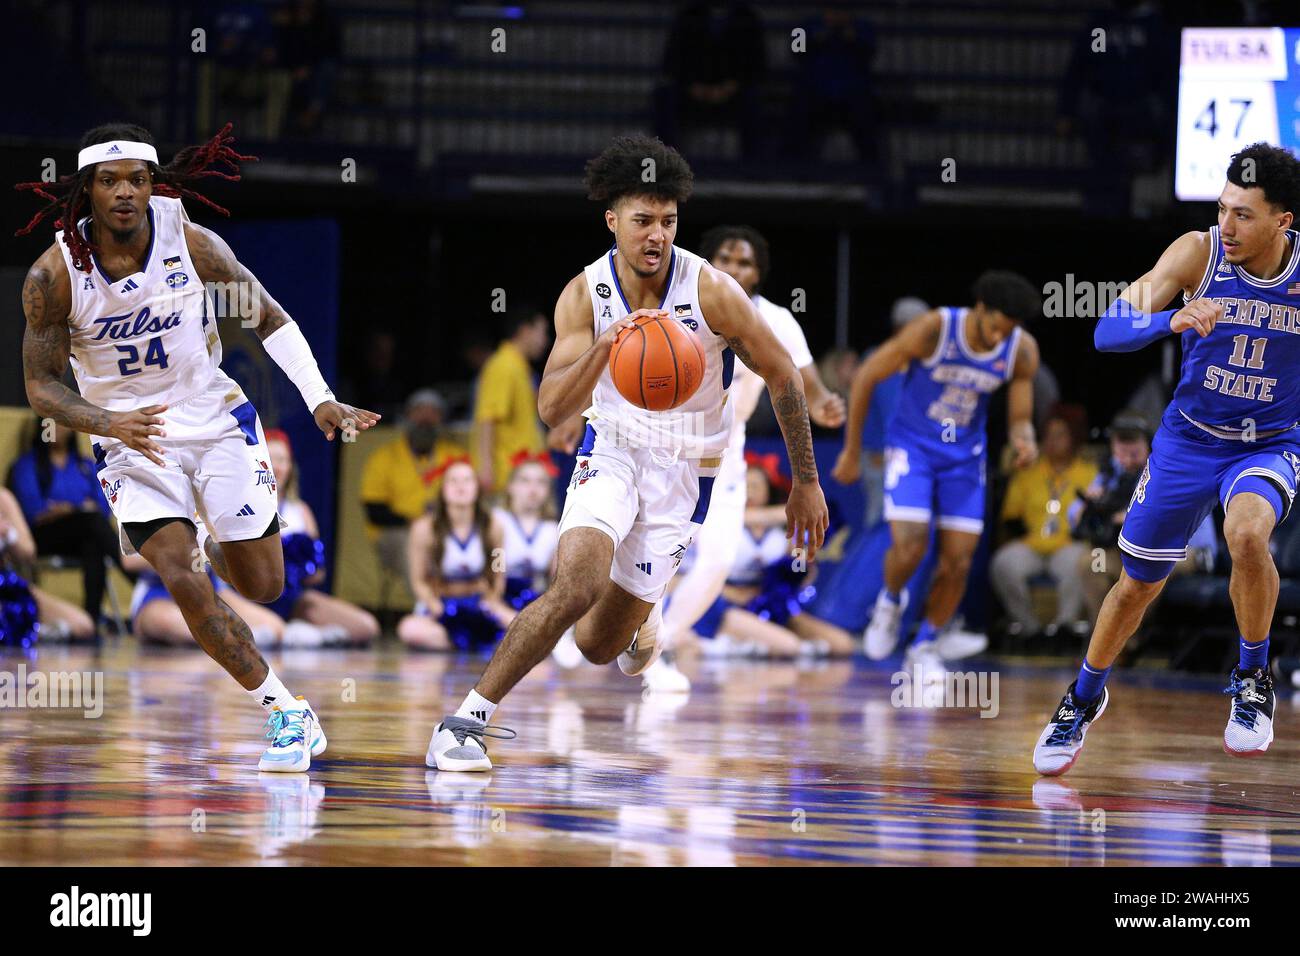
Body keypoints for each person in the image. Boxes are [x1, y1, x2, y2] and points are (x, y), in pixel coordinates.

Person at [425, 135, 828, 771]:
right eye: (643, 220)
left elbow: (784, 376)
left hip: (687, 467)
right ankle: (466, 721)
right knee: (574, 585)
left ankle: (644, 625)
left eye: (668, 221)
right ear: (612, 220)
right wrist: (605, 349)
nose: (657, 235)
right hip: (610, 447)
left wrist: (806, 480)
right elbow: (553, 408)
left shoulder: (713, 291)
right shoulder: (585, 294)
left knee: (594, 647)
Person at [16, 123, 380, 771]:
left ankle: (218, 540)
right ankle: (286, 711)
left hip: (214, 420)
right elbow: (41, 387)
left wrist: (321, 398)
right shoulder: (55, 274)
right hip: (130, 440)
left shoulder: (188, 238)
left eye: (136, 178)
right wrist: (106, 423)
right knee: (179, 574)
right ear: (87, 190)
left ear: (154, 184)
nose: (124, 191)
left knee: (264, 586)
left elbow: (266, 315)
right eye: (109, 180)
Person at [1033, 143, 1300, 773]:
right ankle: (1083, 697)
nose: (1227, 226)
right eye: (1223, 209)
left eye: (1244, 215)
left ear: (1284, 221)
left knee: (1246, 535)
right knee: (1135, 588)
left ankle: (1253, 676)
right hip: (1189, 440)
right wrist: (1170, 321)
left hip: (1269, 442)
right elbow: (1106, 329)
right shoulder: (1196, 252)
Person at [648, 224, 844, 690]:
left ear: (759, 273)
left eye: (746, 262)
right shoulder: (674, 301)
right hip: (667, 441)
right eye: (727, 259)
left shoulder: (776, 319)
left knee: (717, 559)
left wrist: (825, 406)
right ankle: (613, 634)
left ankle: (663, 644)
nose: (735, 269)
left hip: (724, 450)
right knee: (656, 554)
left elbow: (807, 389)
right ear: (708, 261)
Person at [832, 271, 1042, 684]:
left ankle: (924, 646)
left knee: (958, 562)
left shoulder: (1021, 350)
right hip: (913, 448)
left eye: (1009, 331)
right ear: (979, 308)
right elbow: (868, 375)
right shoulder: (935, 329)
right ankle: (889, 603)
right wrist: (853, 449)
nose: (1000, 337)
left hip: (965, 459)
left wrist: (1024, 440)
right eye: (995, 326)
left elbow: (1019, 418)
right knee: (910, 548)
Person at [686, 458, 855, 657]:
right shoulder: (720, 520)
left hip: (769, 603)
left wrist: (799, 563)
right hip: (726, 603)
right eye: (745, 485)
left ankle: (738, 646)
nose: (750, 491)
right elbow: (694, 575)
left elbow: (802, 570)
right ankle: (717, 644)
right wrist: (798, 508)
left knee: (843, 645)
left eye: (756, 486)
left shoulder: (782, 530)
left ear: (769, 489)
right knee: (790, 647)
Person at [1070, 409, 1216, 628]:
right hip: (1134, 550)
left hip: (1188, 551)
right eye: (1121, 447)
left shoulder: (1165, 466)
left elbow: (1164, 518)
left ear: (1147, 443)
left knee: (1142, 567)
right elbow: (1074, 515)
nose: (1127, 456)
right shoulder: (1112, 471)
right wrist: (1088, 507)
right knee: (1091, 563)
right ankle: (1103, 637)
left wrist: (1129, 517)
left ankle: (1125, 641)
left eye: (1134, 448)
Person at [265, 429, 379, 646]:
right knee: (270, 630)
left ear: (290, 467)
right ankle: (294, 633)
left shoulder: (301, 511)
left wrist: (296, 567)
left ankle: (299, 631)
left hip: (293, 597)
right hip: (249, 597)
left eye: (282, 460)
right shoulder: (240, 508)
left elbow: (318, 573)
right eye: (269, 460)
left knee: (366, 626)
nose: (276, 467)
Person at [990, 413, 1096, 639]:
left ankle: (1064, 629)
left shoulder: (1089, 473)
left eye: (1060, 435)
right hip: (1033, 543)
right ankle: (1029, 629)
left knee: (1085, 562)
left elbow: (1095, 515)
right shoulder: (1028, 470)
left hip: (1070, 544)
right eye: (1047, 436)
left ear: (1075, 439)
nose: (1052, 441)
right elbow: (1011, 517)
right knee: (1003, 563)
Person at [10, 418, 124, 627]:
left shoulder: (85, 466)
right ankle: (127, 565)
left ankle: (91, 619)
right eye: (50, 424)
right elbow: (33, 512)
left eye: (62, 424)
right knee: (90, 523)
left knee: (93, 542)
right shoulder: (27, 465)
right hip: (42, 537)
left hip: (81, 534)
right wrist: (77, 509)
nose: (57, 430)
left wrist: (67, 509)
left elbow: (103, 506)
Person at [397, 459, 516, 651]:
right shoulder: (424, 529)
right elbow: (418, 580)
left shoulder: (493, 526)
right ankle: (475, 641)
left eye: (467, 480)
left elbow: (498, 572)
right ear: (442, 489)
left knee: (523, 627)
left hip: (478, 601)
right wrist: (434, 606)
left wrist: (492, 601)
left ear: (477, 488)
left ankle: (469, 639)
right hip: (441, 603)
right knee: (409, 629)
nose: (460, 486)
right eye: (453, 481)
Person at [360, 388, 462, 583]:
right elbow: (374, 511)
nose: (426, 418)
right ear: (406, 417)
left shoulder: (455, 455)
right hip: (397, 531)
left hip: (446, 528)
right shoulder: (384, 457)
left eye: (433, 412)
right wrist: (415, 521)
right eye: (419, 411)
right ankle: (428, 604)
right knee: (414, 546)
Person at [123, 552, 284, 647]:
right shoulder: (146, 501)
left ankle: (230, 638)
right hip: (160, 591)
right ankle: (229, 640)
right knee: (165, 619)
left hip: (209, 588)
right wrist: (178, 555)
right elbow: (128, 560)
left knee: (274, 626)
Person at [0, 486, 96, 643]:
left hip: (9, 587)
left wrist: (9, 535)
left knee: (82, 625)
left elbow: (28, 553)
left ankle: (34, 632)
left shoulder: (2, 498)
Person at [472, 306, 550, 495]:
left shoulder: (520, 366)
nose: (545, 341)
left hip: (524, 475)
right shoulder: (503, 365)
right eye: (542, 332)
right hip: (506, 478)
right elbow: (487, 419)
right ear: (525, 330)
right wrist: (486, 469)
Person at [494, 452, 559, 611]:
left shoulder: (553, 529)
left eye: (541, 482)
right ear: (511, 486)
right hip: (500, 599)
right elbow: (495, 569)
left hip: (536, 601)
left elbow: (556, 580)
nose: (533, 488)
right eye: (525, 480)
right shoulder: (497, 521)